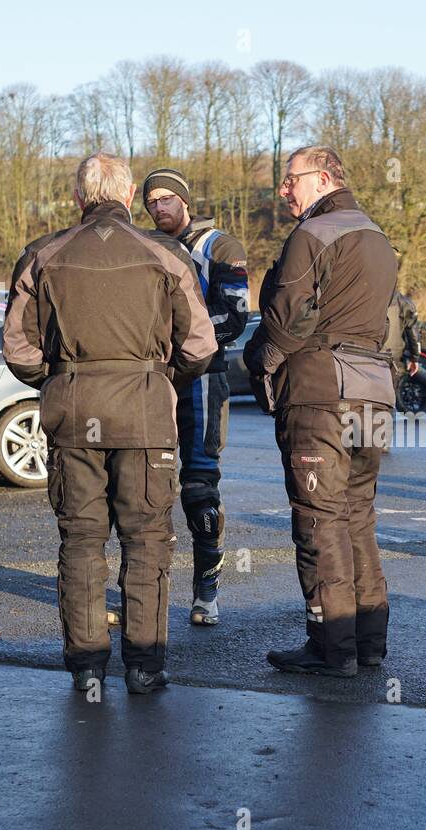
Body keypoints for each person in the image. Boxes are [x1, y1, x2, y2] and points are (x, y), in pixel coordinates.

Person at [2, 153, 216, 694]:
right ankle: (144, 667)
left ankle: (87, 666)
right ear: (127, 197)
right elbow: (201, 346)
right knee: (147, 540)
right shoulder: (166, 254)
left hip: (73, 410)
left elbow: (18, 347)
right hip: (144, 409)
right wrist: (161, 378)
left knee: (81, 541)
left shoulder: (42, 255)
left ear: (79, 199)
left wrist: (59, 380)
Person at [245, 145, 399, 678]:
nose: (284, 190)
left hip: (320, 393)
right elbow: (393, 326)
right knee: (359, 516)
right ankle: (368, 644)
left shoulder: (312, 235)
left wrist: (258, 361)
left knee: (319, 520)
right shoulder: (379, 238)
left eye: (291, 180)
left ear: (325, 178)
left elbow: (286, 322)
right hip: (374, 390)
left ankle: (332, 648)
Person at [141, 168, 250, 626]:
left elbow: (235, 317)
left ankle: (207, 591)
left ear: (185, 200)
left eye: (167, 198)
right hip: (153, 381)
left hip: (204, 377)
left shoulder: (220, 246)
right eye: (151, 203)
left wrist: (184, 346)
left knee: (200, 488)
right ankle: (147, 592)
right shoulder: (142, 247)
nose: (160, 208)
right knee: (146, 487)